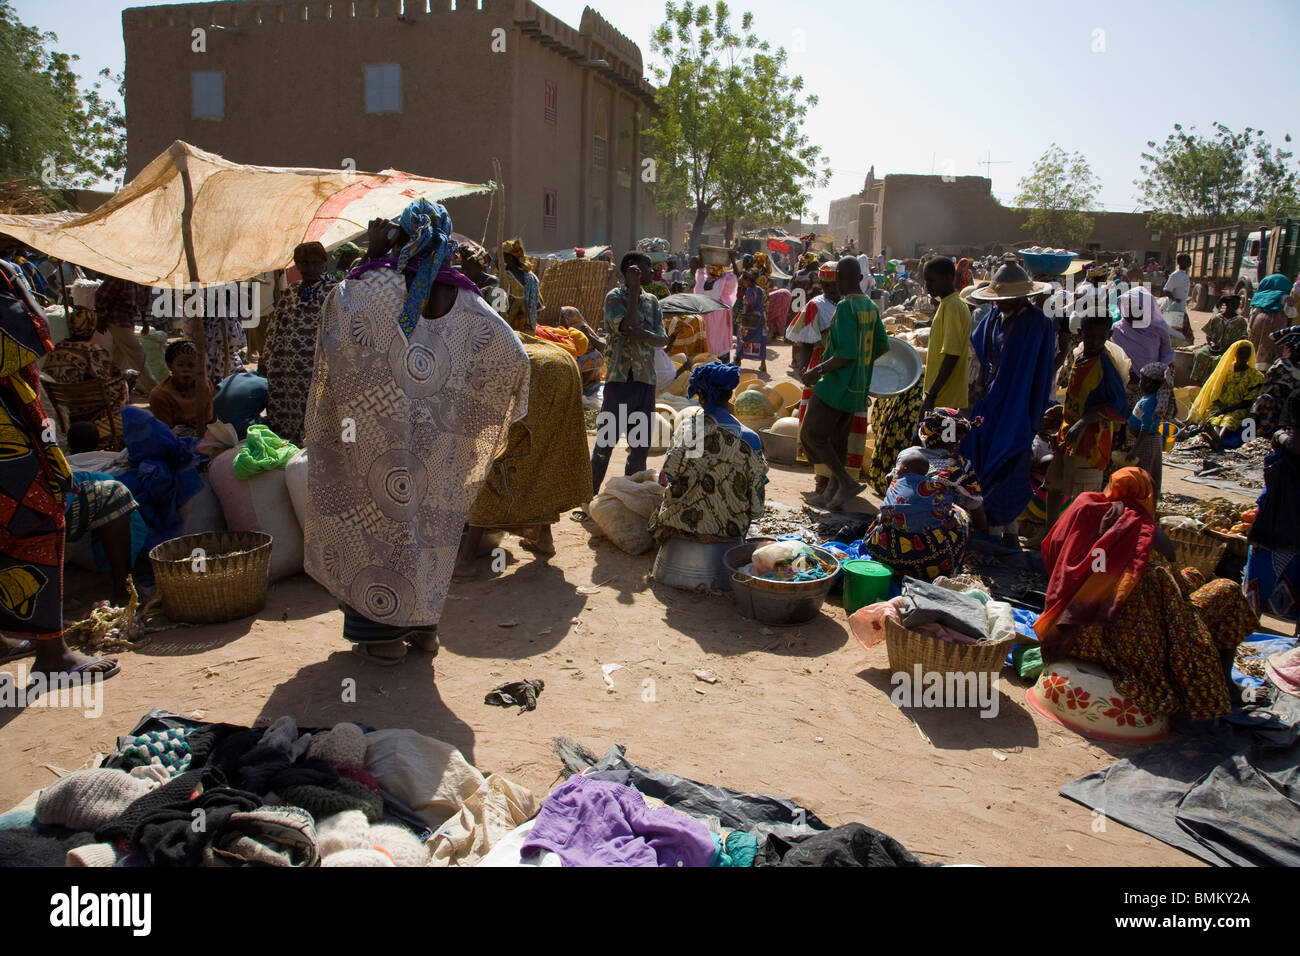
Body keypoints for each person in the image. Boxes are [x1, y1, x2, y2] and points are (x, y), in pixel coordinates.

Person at [303, 200, 529, 666]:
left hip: (375, 442)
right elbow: (512, 356)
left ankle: (382, 637)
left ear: (401, 236)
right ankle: (424, 630)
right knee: (429, 533)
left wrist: (371, 256)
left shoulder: (374, 287)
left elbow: (339, 322)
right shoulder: (467, 299)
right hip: (435, 449)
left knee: (377, 533)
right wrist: (466, 422)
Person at [1035, 467, 1258, 720]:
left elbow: (1053, 551)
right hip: (1135, 652)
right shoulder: (1152, 536)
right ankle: (1227, 685)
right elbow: (1173, 597)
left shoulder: (1085, 509)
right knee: (1225, 589)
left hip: (1074, 636)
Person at [0, 259, 120, 684]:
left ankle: (8, 634)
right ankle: (52, 652)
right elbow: (31, 334)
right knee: (35, 525)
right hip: (9, 446)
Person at [456, 334, 591, 576]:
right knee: (543, 458)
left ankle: (466, 559)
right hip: (561, 364)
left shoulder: (457, 350)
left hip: (532, 369)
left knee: (487, 468)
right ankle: (544, 539)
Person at [962, 262, 1057, 547]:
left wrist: (1035, 413)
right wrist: (978, 384)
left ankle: (1007, 530)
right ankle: (990, 526)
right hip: (989, 403)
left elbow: (1040, 374)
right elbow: (981, 348)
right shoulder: (993, 317)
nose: (1001, 305)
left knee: (1011, 465)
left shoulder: (1037, 324)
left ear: (1023, 297)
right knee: (979, 462)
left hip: (1018, 407)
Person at [800, 256, 889, 511]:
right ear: (860, 279)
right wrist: (862, 364)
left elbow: (845, 352)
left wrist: (816, 371)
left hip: (835, 385)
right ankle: (832, 494)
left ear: (838, 278)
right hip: (858, 386)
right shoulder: (871, 307)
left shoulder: (846, 307)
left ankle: (846, 482)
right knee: (838, 441)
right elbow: (882, 346)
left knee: (812, 435)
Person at [648, 363, 767, 543]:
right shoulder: (751, 439)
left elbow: (665, 478)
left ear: (700, 396)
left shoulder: (688, 428)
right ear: (731, 394)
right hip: (730, 530)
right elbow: (757, 507)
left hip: (680, 524)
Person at [590, 251, 670, 496]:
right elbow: (625, 326)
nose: (651, 272)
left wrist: (643, 334)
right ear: (632, 271)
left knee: (639, 450)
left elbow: (662, 338)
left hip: (645, 382)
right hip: (620, 382)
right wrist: (634, 293)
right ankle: (588, 497)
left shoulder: (653, 301)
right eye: (647, 267)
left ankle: (628, 497)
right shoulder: (614, 298)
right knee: (605, 445)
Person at [1044, 313, 1128, 530]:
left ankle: (1075, 542)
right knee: (1054, 486)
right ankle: (1049, 534)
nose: (1094, 342)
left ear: (1108, 336)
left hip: (1091, 440)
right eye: (1089, 337)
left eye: (1100, 338)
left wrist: (1082, 423)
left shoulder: (1105, 364)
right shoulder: (1082, 357)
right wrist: (1062, 411)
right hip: (1068, 435)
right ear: (1080, 335)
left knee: (1082, 495)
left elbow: (1118, 406)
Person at [261, 241, 338, 446]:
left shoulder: (335, 293)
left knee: (318, 411)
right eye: (304, 263)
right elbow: (275, 328)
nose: (310, 268)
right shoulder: (291, 292)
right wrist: (266, 359)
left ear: (324, 263)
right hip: (288, 370)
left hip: (318, 367)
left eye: (315, 263)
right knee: (289, 413)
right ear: (297, 264)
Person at [862, 447, 970, 581]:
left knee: (879, 520)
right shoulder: (937, 488)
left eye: (899, 467)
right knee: (961, 515)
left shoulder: (895, 484)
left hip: (887, 553)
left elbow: (883, 515)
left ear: (905, 469)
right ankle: (950, 568)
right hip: (929, 559)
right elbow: (945, 515)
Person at [1244, 389, 1300, 625]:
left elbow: (1297, 445)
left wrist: (1279, 436)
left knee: (1266, 559)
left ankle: (1248, 621)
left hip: (1287, 504)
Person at [42, 303, 129, 447]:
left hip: (64, 404)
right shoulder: (94, 351)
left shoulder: (57, 348)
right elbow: (109, 380)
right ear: (91, 327)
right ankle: (111, 435)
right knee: (122, 386)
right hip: (86, 406)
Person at [1182, 341, 1265, 452]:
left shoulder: (1255, 376)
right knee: (1214, 419)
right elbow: (1216, 390)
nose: (1244, 356)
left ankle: (1219, 440)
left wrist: (1225, 409)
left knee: (1229, 420)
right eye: (1241, 353)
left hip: (1238, 407)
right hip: (1222, 406)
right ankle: (1214, 437)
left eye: (1247, 354)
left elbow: (1248, 402)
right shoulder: (1226, 372)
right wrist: (1220, 405)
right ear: (1235, 354)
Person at [916, 407, 987, 533]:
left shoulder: (907, 455)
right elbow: (979, 519)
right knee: (961, 516)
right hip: (933, 538)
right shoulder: (961, 466)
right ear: (956, 439)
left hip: (896, 531)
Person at [1110, 285, 1175, 419]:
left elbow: (1167, 355)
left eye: (1136, 308)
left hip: (1151, 386)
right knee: (1121, 421)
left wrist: (1158, 379)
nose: (1130, 313)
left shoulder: (1158, 330)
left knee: (1144, 422)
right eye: (1127, 308)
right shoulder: (1117, 329)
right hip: (1123, 386)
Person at [920, 257, 973, 414]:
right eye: (926, 281)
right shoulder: (946, 304)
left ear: (948, 279)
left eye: (932, 281)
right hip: (942, 396)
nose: (927, 286)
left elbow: (952, 354)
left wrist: (931, 395)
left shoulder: (952, 307)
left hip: (945, 397)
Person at [92, 275, 158, 396]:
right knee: (136, 351)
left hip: (129, 319)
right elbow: (100, 295)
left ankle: (112, 386)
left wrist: (144, 321)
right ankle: (153, 388)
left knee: (119, 356)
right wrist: (102, 317)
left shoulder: (146, 279)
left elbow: (144, 302)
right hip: (116, 319)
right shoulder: (120, 278)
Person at [148, 339, 214, 437]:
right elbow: (165, 431)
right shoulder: (160, 395)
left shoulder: (204, 386)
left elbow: (208, 419)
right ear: (171, 366)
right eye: (180, 365)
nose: (186, 369)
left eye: (191, 365)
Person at [1128, 363, 1168, 501]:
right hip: (1151, 440)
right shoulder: (1148, 398)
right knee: (1150, 475)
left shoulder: (1150, 401)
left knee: (1145, 476)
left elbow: (1145, 428)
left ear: (1151, 383)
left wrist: (1134, 449)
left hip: (1147, 442)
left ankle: (1145, 505)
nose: (1140, 383)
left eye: (1142, 380)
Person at [1250, 325, 1300, 435]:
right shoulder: (1281, 365)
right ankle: (1254, 432)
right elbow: (1267, 386)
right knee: (1264, 399)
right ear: (1295, 351)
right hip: (1277, 404)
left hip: (1294, 405)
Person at [1191, 294, 1248, 386]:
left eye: (1238, 304)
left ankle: (1215, 384)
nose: (1236, 306)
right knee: (1201, 354)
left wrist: (1228, 348)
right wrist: (1212, 344)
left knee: (1220, 360)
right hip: (1215, 347)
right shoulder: (1216, 318)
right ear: (1227, 304)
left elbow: (1243, 337)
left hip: (1231, 349)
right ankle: (1200, 382)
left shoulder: (1240, 321)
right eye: (1234, 303)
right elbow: (1208, 335)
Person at [1249, 273, 1297, 371]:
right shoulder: (1286, 297)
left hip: (1258, 323)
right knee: (1272, 350)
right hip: (1277, 326)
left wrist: (1250, 328)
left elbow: (1253, 314)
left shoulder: (1259, 296)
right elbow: (1292, 314)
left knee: (1257, 347)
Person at [693, 254, 738, 358]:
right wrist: (732, 261)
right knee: (715, 344)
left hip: (710, 319)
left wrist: (701, 256)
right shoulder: (718, 283)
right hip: (714, 320)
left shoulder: (707, 282)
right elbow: (735, 277)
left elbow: (699, 270)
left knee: (711, 343)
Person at [499, 238, 543, 332]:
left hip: (510, 331)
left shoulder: (504, 278)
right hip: (528, 330)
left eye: (502, 256)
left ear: (510, 258)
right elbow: (538, 307)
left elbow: (498, 308)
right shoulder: (532, 277)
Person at [558, 306, 605, 389]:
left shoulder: (582, 328)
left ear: (571, 317)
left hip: (588, 362)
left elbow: (602, 347)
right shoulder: (564, 330)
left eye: (563, 316)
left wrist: (588, 335)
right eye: (561, 316)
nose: (560, 319)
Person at [733, 269, 767, 372]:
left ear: (748, 280)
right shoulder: (760, 290)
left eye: (744, 280)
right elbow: (764, 302)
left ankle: (737, 360)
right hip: (761, 318)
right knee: (760, 340)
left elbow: (747, 306)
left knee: (742, 338)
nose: (743, 282)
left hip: (750, 319)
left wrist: (742, 316)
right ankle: (763, 363)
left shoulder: (749, 292)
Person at [1162, 252, 1193, 343]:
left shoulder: (1184, 275)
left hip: (1181, 309)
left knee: (1182, 335)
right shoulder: (1175, 275)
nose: (1189, 262)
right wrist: (1174, 299)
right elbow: (1166, 290)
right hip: (1174, 309)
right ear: (1180, 262)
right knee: (1175, 334)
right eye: (1187, 260)